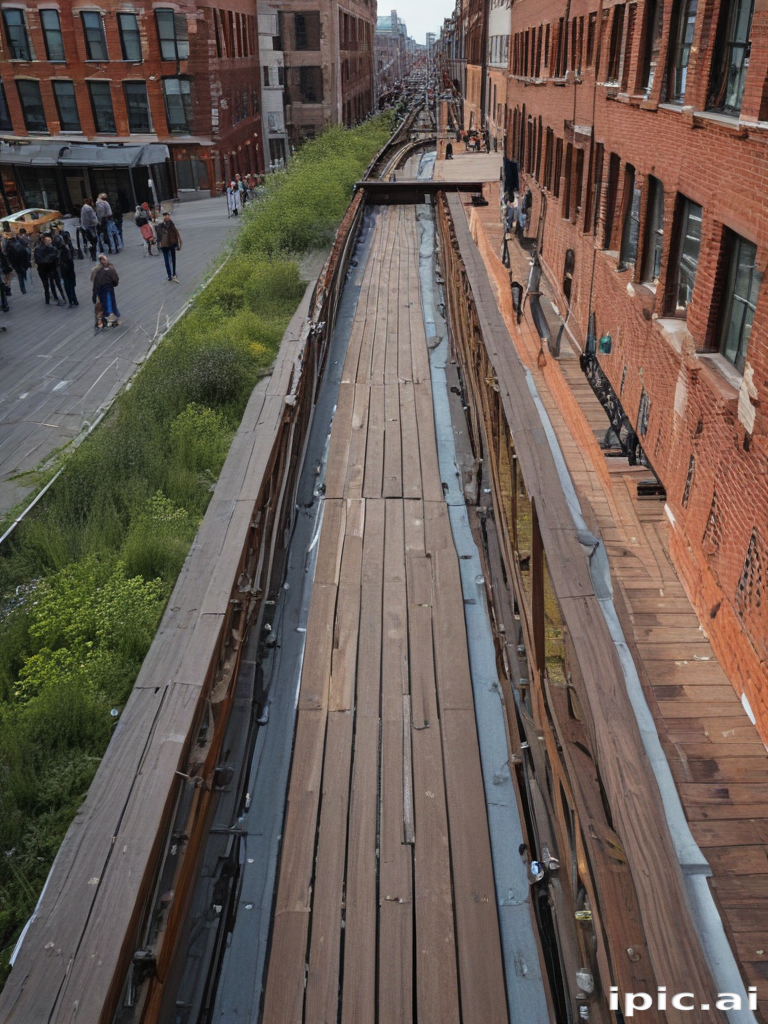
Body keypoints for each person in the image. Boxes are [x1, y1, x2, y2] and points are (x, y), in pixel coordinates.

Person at [33, 234, 66, 305]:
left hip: (42, 268)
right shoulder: (51, 248)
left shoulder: (37, 248)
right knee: (56, 282)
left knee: (46, 285)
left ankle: (47, 299)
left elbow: (37, 259)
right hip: (51, 267)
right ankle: (62, 297)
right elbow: (56, 255)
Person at [91, 253, 119, 326]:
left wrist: (94, 292)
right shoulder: (109, 269)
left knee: (101, 303)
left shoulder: (97, 269)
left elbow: (93, 280)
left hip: (98, 288)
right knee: (108, 302)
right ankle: (108, 318)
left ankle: (100, 319)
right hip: (106, 288)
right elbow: (115, 280)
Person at [155, 211, 181, 282]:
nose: (167, 217)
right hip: (168, 245)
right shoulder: (170, 225)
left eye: (168, 216)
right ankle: (172, 274)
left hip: (166, 245)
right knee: (171, 260)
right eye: (167, 216)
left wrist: (158, 245)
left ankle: (170, 275)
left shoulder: (162, 226)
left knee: (168, 260)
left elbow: (158, 236)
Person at [59, 231, 78, 307]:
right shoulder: (69, 247)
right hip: (70, 269)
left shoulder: (63, 249)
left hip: (65, 270)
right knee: (71, 286)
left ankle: (71, 300)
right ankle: (74, 300)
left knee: (68, 286)